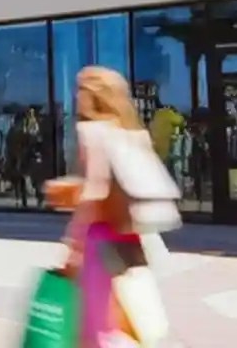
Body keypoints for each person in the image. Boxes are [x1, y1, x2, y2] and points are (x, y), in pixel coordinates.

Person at [57, 66, 161, 347]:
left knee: (95, 328)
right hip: (129, 237)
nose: (77, 96)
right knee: (124, 317)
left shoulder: (93, 132)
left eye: (82, 89)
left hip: (99, 240)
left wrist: (74, 243)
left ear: (95, 95)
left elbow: (95, 191)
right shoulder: (129, 132)